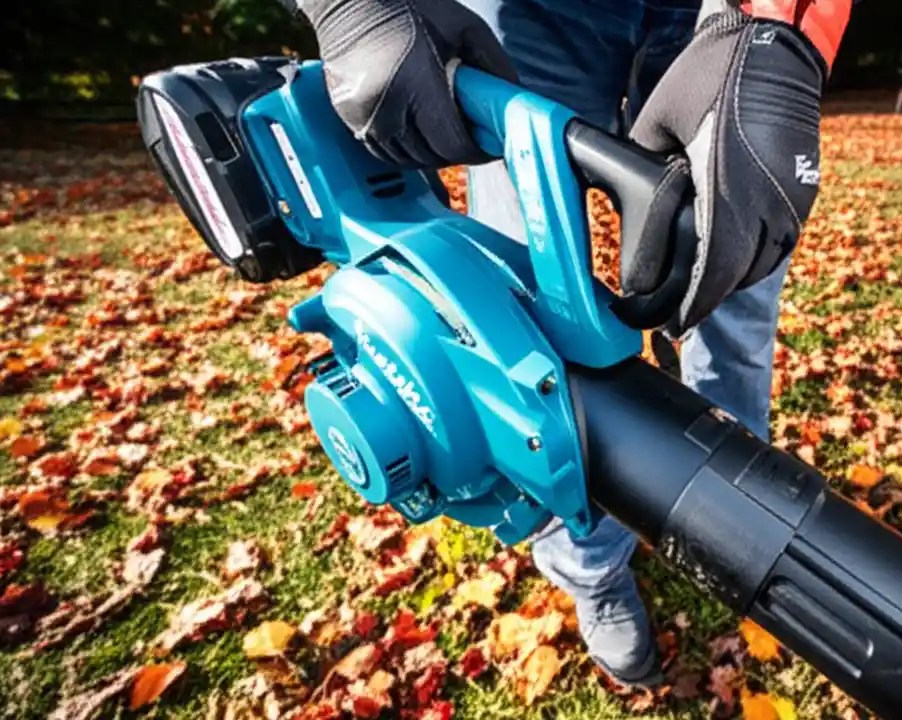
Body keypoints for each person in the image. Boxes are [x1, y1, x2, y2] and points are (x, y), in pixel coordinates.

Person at [280, 0, 853, 688]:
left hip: (716, 12)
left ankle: (742, 521)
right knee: (518, 309)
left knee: (733, 283)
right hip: (534, 15)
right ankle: (592, 567)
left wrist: (777, 31)